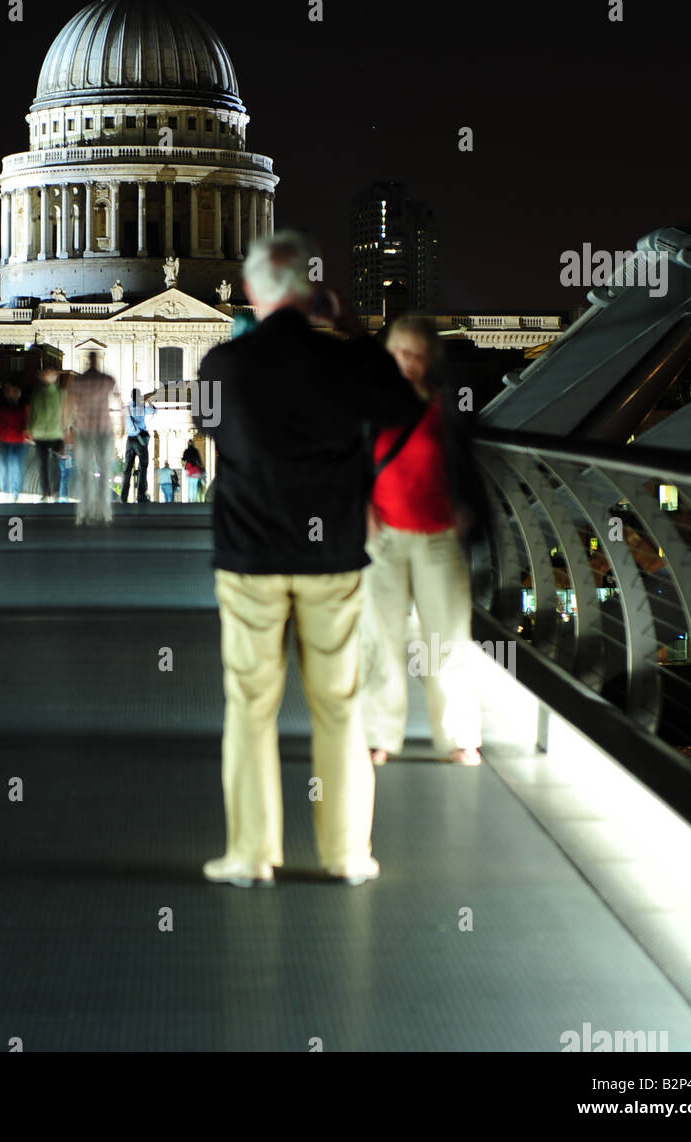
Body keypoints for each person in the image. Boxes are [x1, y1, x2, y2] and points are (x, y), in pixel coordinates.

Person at [193, 231, 422, 889]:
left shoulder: (221, 364)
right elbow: (404, 412)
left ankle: (250, 855)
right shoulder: (348, 362)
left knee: (250, 706)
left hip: (249, 551)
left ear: (250, 291)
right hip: (332, 552)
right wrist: (348, 326)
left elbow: (212, 431)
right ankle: (347, 854)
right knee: (340, 706)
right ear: (311, 290)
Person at [361, 314, 491, 767]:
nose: (406, 361)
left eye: (415, 353)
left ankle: (460, 738)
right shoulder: (369, 402)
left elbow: (469, 461)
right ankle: (380, 736)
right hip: (386, 537)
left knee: (449, 642)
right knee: (380, 639)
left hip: (439, 536)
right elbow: (349, 461)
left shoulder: (449, 404)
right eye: (399, 351)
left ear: (430, 359)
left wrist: (465, 509)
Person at [65, 353, 120, 526]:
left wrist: (65, 427)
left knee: (85, 473)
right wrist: (123, 424)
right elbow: (119, 401)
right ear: (99, 361)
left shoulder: (78, 382)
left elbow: (68, 403)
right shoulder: (107, 380)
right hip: (103, 429)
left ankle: (84, 513)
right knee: (105, 472)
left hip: (84, 430)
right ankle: (104, 513)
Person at [29, 365, 68, 502]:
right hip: (40, 433)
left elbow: (67, 412)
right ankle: (46, 492)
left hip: (56, 434)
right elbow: (32, 412)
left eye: (51, 373)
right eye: (46, 373)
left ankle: (54, 492)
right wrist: (30, 429)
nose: (48, 376)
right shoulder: (37, 393)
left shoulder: (61, 392)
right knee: (43, 464)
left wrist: (65, 428)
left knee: (54, 464)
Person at [0, 381, 30, 502]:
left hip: (18, 441)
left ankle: (13, 493)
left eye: (15, 391)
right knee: (5, 467)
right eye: (9, 391)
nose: (12, 394)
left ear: (20, 393)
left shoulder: (24, 408)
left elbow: (28, 424)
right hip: (5, 441)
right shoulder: (2, 408)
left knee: (15, 467)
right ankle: (7, 492)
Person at [120, 388, 157, 503]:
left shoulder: (126, 408)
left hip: (130, 440)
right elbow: (155, 411)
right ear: (139, 396)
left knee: (127, 469)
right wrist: (148, 401)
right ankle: (141, 496)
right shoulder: (142, 408)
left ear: (131, 396)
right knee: (143, 467)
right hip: (140, 440)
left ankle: (124, 497)